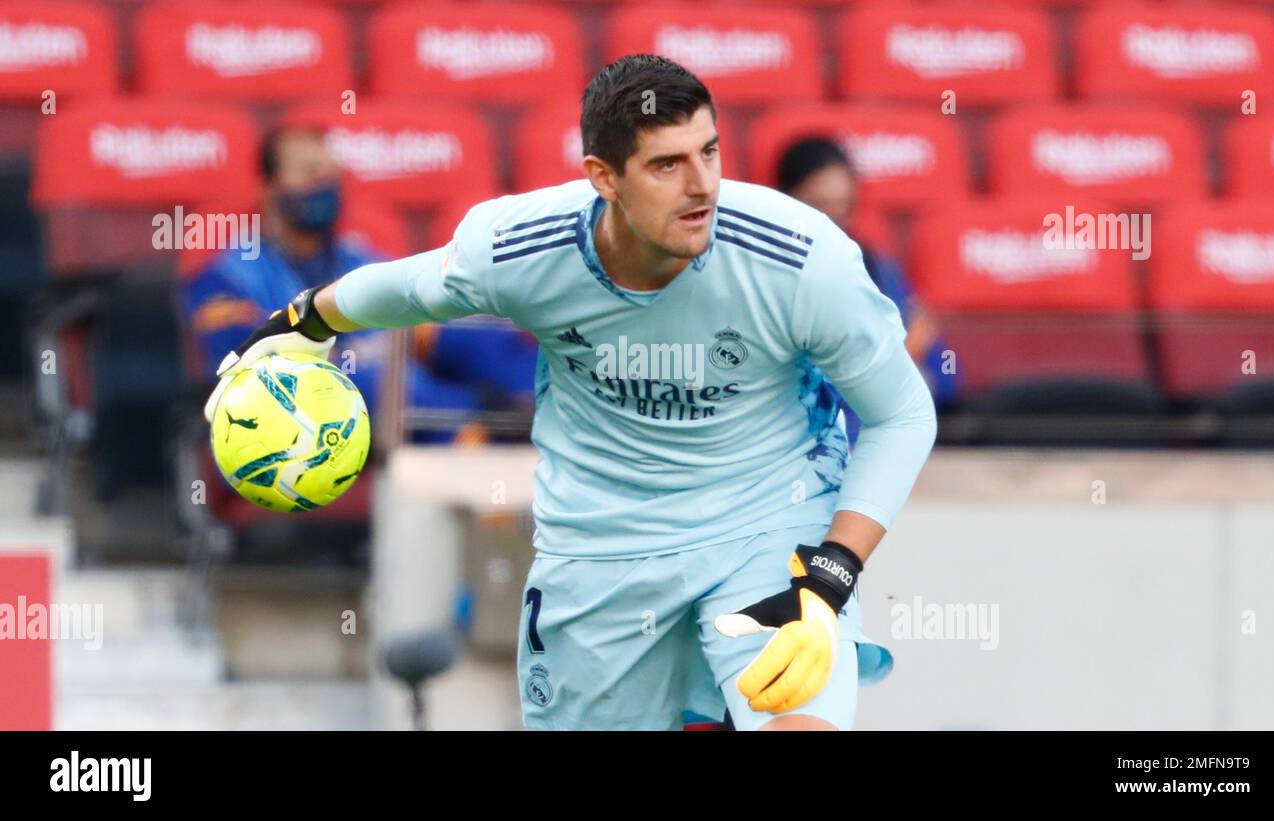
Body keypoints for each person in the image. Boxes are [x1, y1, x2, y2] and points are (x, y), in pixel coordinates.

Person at [203, 55, 936, 730]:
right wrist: (303, 320)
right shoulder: (525, 246)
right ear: (603, 176)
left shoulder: (799, 257)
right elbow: (412, 286)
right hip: (600, 549)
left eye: (709, 152)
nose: (703, 184)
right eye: (667, 164)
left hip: (769, 528)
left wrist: (832, 573)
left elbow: (902, 412)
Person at [182, 125, 533, 445]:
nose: (324, 184)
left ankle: (542, 410)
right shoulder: (229, 275)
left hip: (399, 413)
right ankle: (480, 426)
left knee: (473, 335)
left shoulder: (358, 259)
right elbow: (248, 365)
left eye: (331, 175)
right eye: (309, 173)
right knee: (376, 380)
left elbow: (423, 328)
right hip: (299, 431)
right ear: (270, 187)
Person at [777, 137, 956, 425]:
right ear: (785, 200)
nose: (834, 222)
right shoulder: (770, 277)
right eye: (820, 207)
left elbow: (946, 378)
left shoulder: (876, 269)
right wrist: (894, 359)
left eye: (844, 208)